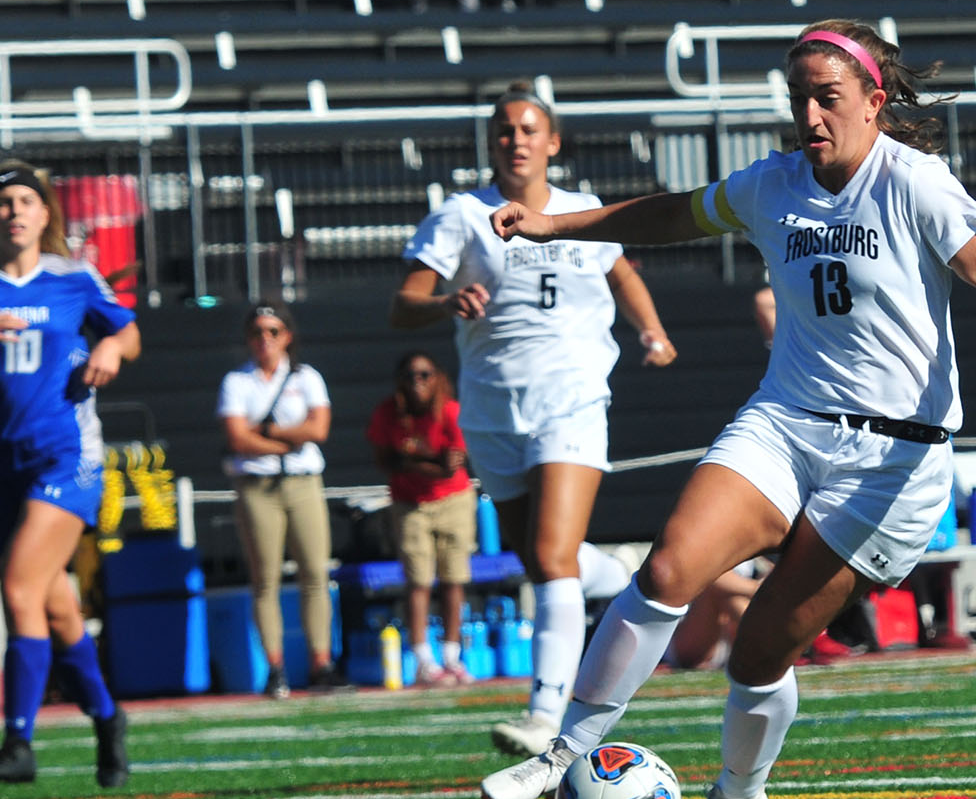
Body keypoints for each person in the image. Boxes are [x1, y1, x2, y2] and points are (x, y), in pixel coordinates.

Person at [477, 19, 976, 799]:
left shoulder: (915, 182)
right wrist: (558, 226)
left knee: (760, 645)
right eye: (798, 99)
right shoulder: (773, 184)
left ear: (873, 102)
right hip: (785, 420)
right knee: (667, 570)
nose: (810, 115)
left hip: (894, 457)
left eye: (828, 97)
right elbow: (673, 214)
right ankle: (564, 751)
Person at [390, 81, 675, 757]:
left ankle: (548, 715)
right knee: (543, 558)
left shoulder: (584, 211)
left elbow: (622, 271)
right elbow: (403, 305)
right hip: (493, 408)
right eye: (504, 130)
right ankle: (642, 581)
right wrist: (444, 303)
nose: (516, 139)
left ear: (552, 141)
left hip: (571, 396)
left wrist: (652, 332)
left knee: (549, 558)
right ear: (492, 144)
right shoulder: (459, 215)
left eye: (528, 128)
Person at [0, 158, 138, 788]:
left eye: (25, 202)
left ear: (44, 214)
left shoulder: (73, 278)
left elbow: (128, 333)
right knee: (57, 608)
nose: (14, 212)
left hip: (66, 458)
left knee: (17, 592)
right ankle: (108, 718)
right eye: (3, 203)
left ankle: (19, 740)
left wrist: (112, 349)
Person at [217, 301, 343, 699]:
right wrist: (289, 435)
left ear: (287, 335)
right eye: (257, 332)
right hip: (259, 487)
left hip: (303, 482)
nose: (265, 340)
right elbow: (237, 438)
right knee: (265, 578)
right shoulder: (237, 381)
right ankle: (275, 668)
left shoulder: (307, 377)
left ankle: (321, 663)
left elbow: (319, 428)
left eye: (273, 331)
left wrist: (266, 432)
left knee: (314, 574)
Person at [368, 351, 479, 686]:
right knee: (418, 580)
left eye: (425, 375)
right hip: (409, 503)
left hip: (453, 499)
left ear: (438, 378)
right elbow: (387, 461)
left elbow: (452, 466)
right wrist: (423, 461)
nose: (418, 383)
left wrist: (412, 458)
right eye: (410, 376)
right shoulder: (389, 414)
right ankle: (422, 659)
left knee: (454, 578)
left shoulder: (450, 411)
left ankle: (451, 655)